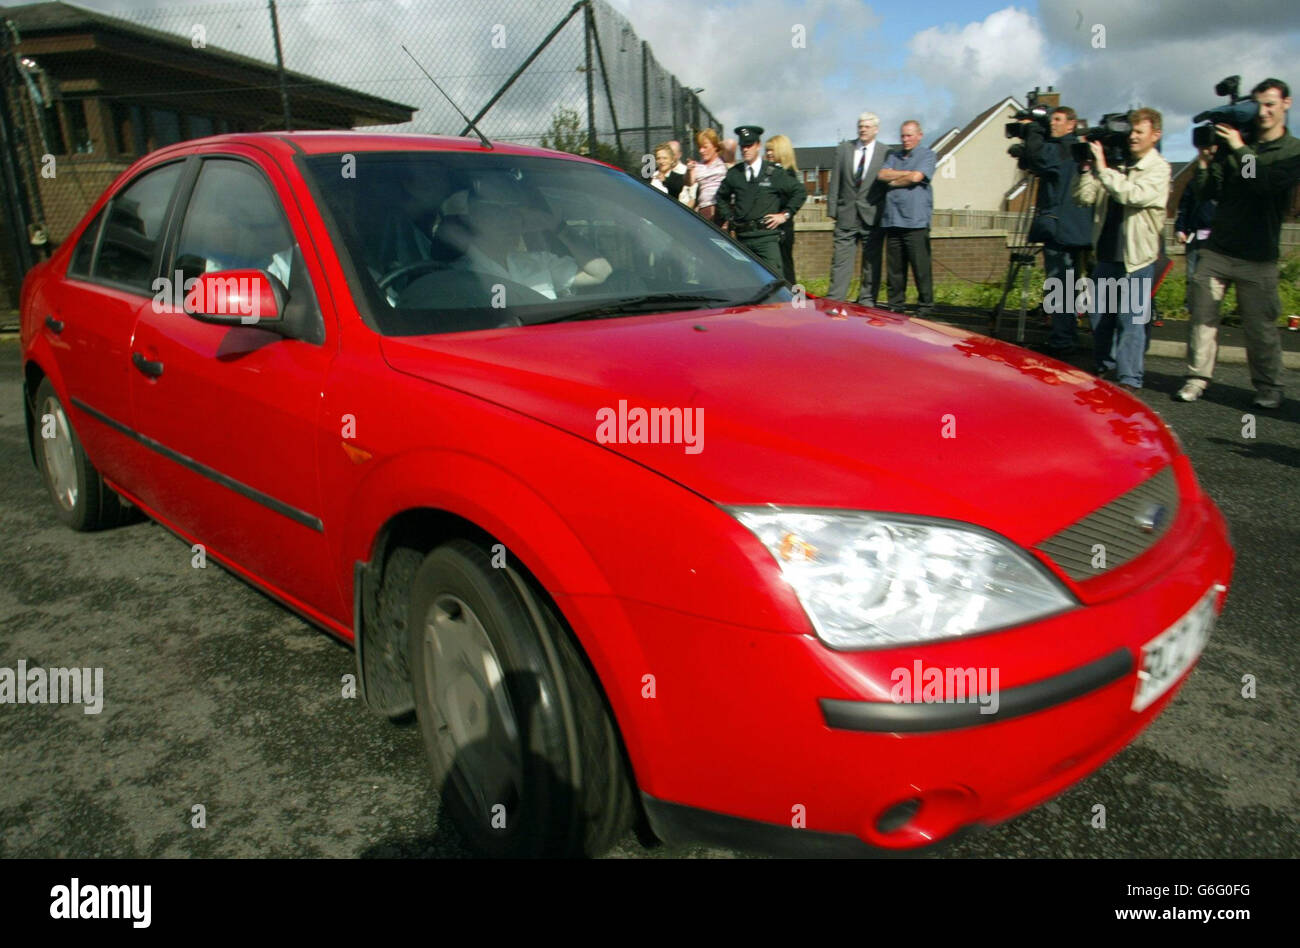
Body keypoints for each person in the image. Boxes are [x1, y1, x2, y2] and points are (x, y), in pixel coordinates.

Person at [1177, 78, 1300, 408]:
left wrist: (1240, 149)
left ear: (1286, 104)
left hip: (1258, 255)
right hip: (1218, 248)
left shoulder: (1292, 150)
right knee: (1202, 319)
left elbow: (1265, 186)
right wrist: (1205, 162)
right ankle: (1197, 378)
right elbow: (1208, 193)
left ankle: (1269, 386)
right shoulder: (1238, 144)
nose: (1263, 111)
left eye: (1271, 104)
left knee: (1260, 328)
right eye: (1259, 104)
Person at [1072, 107, 1170, 392]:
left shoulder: (1159, 168)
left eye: (1140, 132)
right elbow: (1083, 197)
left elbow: (1132, 195)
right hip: (1106, 254)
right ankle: (1106, 368)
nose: (1133, 137)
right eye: (1132, 131)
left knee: (1131, 322)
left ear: (1156, 135)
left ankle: (1129, 379)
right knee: (1100, 318)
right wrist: (1087, 169)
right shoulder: (1115, 164)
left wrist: (1104, 168)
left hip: (1136, 259)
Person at [447, 186, 611, 300]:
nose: (509, 222)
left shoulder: (540, 261)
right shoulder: (459, 275)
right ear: (476, 219)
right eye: (497, 214)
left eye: (513, 214)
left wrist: (559, 228)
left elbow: (600, 273)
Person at [1021, 106, 1095, 353]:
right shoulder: (1076, 149)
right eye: (1051, 119)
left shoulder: (1063, 148)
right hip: (1079, 228)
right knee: (1075, 283)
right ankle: (1071, 333)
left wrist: (1032, 128)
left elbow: (1036, 155)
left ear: (1071, 124)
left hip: (1060, 228)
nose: (1052, 124)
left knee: (1059, 282)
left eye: (1057, 120)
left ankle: (1062, 338)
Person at [714, 125, 805, 276]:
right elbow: (721, 197)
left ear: (758, 146)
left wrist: (785, 215)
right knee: (745, 281)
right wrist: (729, 217)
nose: (745, 149)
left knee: (774, 283)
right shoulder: (735, 174)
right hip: (742, 239)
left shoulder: (773, 172)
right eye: (743, 146)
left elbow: (799, 192)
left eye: (749, 145)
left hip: (766, 239)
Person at [826, 112, 889, 304]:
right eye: (860, 125)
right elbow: (835, 180)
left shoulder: (886, 152)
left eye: (867, 126)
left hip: (872, 216)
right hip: (846, 215)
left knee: (871, 263)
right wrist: (833, 210)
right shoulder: (844, 149)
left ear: (876, 129)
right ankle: (835, 301)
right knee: (840, 262)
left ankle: (867, 302)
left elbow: (887, 187)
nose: (862, 129)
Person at [878, 120, 937, 316]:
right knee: (895, 270)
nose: (905, 139)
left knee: (920, 268)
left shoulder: (927, 155)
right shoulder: (893, 156)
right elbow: (882, 175)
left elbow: (917, 178)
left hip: (916, 222)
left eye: (909, 135)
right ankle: (896, 306)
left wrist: (895, 181)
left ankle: (925, 306)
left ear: (919, 135)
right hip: (893, 220)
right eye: (903, 135)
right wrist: (905, 174)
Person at [1174, 140, 1218, 301]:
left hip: (1218, 238)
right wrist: (1180, 229)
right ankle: (1191, 303)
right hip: (1196, 235)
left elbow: (1251, 176)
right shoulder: (1193, 183)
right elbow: (1184, 207)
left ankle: (1207, 303)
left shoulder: (1248, 159)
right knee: (1193, 273)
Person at [765, 133, 802, 284]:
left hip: (782, 229)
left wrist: (784, 214)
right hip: (770, 227)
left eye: (772, 150)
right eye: (767, 150)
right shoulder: (768, 172)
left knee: (785, 267)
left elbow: (797, 196)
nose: (768, 153)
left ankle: (794, 302)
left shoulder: (788, 174)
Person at [688, 128, 728, 222]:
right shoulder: (698, 166)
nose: (701, 151)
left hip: (719, 208)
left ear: (714, 146)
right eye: (700, 147)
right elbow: (690, 182)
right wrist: (689, 171)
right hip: (704, 208)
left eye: (705, 147)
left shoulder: (722, 164)